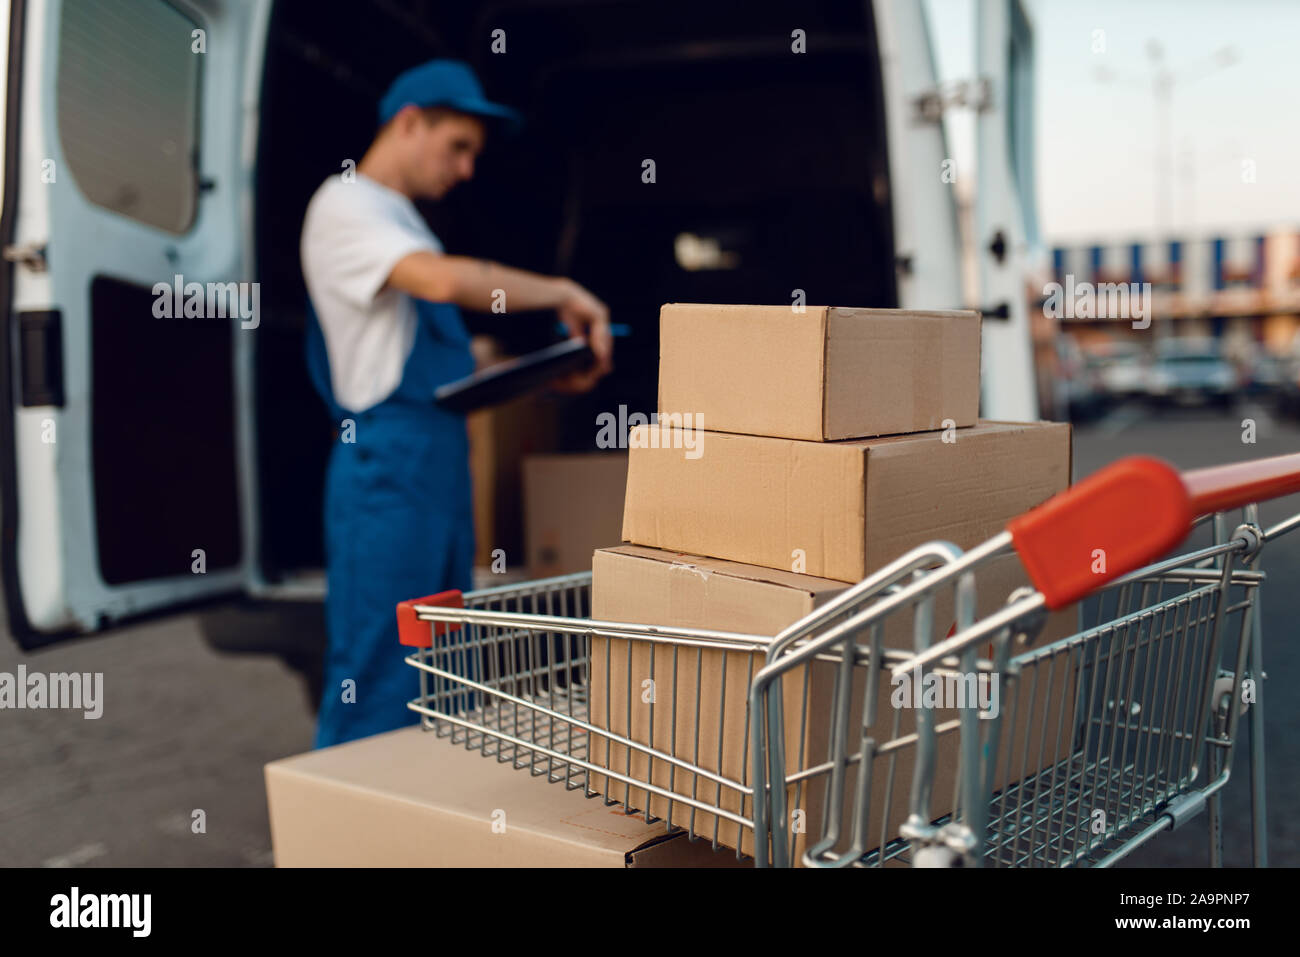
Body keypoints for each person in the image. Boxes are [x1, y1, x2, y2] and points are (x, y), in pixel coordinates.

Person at [300, 59, 612, 748]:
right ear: (410, 123)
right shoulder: (346, 204)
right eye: (458, 147)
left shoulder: (402, 220)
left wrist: (536, 373)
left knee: (441, 672)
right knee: (380, 674)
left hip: (437, 472)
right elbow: (442, 284)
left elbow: (446, 358)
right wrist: (563, 291)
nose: (467, 169)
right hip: (387, 475)